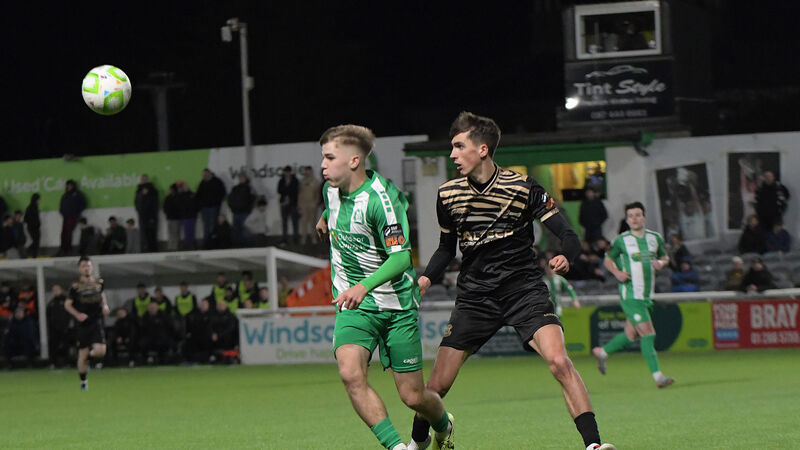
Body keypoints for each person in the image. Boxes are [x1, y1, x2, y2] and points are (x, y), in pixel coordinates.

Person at [406, 112, 610, 450]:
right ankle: (418, 441)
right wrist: (426, 278)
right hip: (475, 297)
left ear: (483, 149)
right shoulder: (447, 194)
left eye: (459, 146)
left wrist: (566, 256)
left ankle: (594, 445)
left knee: (559, 362)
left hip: (523, 291)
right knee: (437, 385)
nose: (453, 154)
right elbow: (446, 249)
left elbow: (568, 234)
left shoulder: (524, 187)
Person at [316, 124, 455, 450]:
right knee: (351, 375)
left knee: (413, 396)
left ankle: (444, 425)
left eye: (328, 157)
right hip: (355, 306)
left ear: (353, 160)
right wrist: (323, 218)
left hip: (395, 306)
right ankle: (396, 447)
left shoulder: (383, 201)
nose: (322, 164)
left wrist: (363, 286)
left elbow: (401, 258)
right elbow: (334, 207)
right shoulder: (330, 190)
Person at [593, 201, 674, 389]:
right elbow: (608, 260)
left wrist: (662, 263)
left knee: (631, 335)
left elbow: (665, 257)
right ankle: (658, 377)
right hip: (631, 295)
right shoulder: (622, 240)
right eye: (631, 216)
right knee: (649, 334)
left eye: (638, 215)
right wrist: (617, 273)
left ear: (644, 217)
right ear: (627, 220)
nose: (634, 219)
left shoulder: (655, 238)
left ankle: (603, 353)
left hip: (647, 296)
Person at [63, 256, 110, 391]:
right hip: (83, 323)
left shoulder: (99, 282)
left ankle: (89, 357)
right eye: (84, 266)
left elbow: (102, 294)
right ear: (80, 269)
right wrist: (77, 315)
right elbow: (67, 305)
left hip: (96, 320)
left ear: (92, 267)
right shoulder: (75, 286)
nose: (86, 268)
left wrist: (105, 305)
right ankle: (83, 381)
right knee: (82, 353)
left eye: (88, 266)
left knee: (101, 351)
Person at [196, 169, 227, 245]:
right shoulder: (202, 183)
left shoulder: (217, 182)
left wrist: (217, 202)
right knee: (206, 225)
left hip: (214, 207)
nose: (204, 176)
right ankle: (206, 242)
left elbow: (222, 193)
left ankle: (211, 242)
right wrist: (200, 205)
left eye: (206, 174)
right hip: (204, 208)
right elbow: (198, 195)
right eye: (203, 175)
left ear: (210, 173)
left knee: (212, 225)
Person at [47, 284, 73, 367]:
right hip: (54, 328)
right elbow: (48, 314)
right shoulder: (52, 302)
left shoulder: (66, 301)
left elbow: (70, 314)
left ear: (61, 290)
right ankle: (53, 362)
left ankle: (67, 362)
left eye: (57, 290)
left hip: (64, 327)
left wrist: (67, 325)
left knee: (66, 345)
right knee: (54, 345)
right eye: (54, 290)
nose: (56, 292)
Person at [58, 180, 87, 256]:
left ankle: (68, 249)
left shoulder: (78, 194)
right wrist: (62, 211)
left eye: (70, 185)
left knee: (68, 232)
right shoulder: (65, 195)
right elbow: (62, 205)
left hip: (73, 216)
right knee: (64, 233)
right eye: (68, 185)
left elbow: (84, 204)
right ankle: (63, 248)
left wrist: (77, 212)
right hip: (65, 217)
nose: (69, 187)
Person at [227, 174, 256, 246]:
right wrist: (232, 208)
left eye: (242, 178)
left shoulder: (249, 188)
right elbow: (230, 199)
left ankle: (247, 246)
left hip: (244, 213)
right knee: (236, 231)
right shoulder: (235, 188)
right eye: (240, 178)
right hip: (235, 212)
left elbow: (252, 200)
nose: (241, 179)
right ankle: (237, 246)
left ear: (246, 179)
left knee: (245, 230)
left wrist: (249, 210)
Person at [135, 174, 159, 252]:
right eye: (142, 179)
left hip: (150, 217)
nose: (143, 181)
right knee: (143, 234)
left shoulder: (152, 190)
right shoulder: (139, 190)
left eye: (144, 179)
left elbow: (154, 204)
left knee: (151, 234)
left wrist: (152, 216)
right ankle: (144, 249)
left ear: (147, 180)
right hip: (142, 216)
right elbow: (136, 203)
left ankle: (152, 250)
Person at [298, 165, 322, 244]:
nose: (307, 172)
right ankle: (303, 237)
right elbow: (300, 193)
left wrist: (315, 203)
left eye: (309, 171)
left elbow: (317, 194)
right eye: (306, 171)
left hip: (312, 204)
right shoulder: (302, 181)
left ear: (311, 172)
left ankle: (313, 237)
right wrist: (299, 204)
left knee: (312, 222)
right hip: (304, 204)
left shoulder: (315, 181)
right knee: (304, 221)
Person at [278, 165, 300, 244]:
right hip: (284, 204)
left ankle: (296, 239)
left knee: (295, 222)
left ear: (290, 172)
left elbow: (296, 191)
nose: (287, 173)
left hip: (293, 204)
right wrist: (288, 190)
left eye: (288, 172)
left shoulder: (295, 180)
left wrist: (286, 190)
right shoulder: (281, 180)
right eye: (285, 172)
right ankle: (284, 239)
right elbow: (279, 190)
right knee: (284, 222)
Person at [177, 180, 199, 249]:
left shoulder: (193, 194)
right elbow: (180, 206)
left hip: (192, 216)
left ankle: (192, 244)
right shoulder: (181, 196)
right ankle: (187, 245)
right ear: (182, 187)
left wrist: (195, 211)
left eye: (186, 185)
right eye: (184, 186)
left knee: (192, 231)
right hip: (185, 217)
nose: (186, 187)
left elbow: (196, 204)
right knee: (187, 231)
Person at [163, 183, 182, 251]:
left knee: (175, 232)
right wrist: (166, 213)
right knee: (170, 232)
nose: (170, 190)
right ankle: (170, 246)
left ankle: (175, 246)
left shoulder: (178, 197)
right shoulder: (168, 197)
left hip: (176, 218)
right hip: (169, 218)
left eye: (171, 189)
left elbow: (179, 207)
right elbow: (165, 206)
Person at [24, 193, 41, 258]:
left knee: (35, 242)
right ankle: (31, 254)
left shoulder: (32, 207)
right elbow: (26, 218)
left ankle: (33, 255)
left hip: (33, 227)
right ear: (36, 199)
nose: (39, 201)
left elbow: (26, 219)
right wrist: (34, 224)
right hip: (33, 228)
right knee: (36, 243)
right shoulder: (32, 207)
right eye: (39, 199)